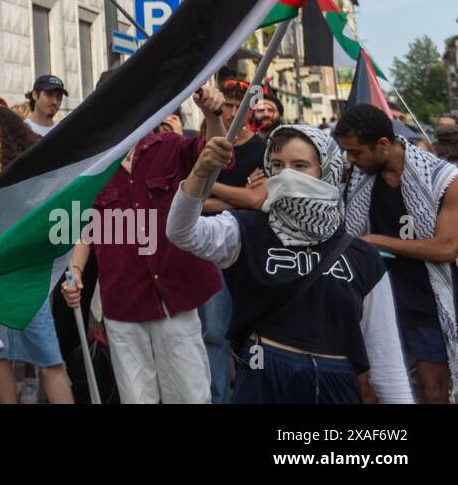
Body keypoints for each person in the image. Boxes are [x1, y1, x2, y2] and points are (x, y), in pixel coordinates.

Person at [167, 125, 413, 403]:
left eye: (300, 165)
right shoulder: (245, 230)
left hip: (333, 387)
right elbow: (181, 232)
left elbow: (387, 362)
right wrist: (200, 173)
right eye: (277, 165)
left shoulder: (361, 256)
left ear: (327, 170)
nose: (286, 175)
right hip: (263, 377)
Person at [62, 86, 227, 404]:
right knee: (137, 398)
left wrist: (212, 113)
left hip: (175, 300)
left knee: (190, 396)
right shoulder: (93, 168)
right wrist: (76, 270)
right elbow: (87, 226)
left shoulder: (170, 146)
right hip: (123, 303)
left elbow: (216, 153)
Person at [335, 104, 458, 403]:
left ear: (383, 144)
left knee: (432, 389)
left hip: (426, 300)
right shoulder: (355, 178)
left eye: (356, 152)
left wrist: (378, 241)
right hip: (374, 299)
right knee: (370, 387)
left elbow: (446, 247)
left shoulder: (445, 179)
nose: (350, 159)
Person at [0, 105, 73, 404]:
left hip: (26, 275)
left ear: (0, 130)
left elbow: (49, 217)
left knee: (47, 357)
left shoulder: (30, 166)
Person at [195, 77, 273, 403]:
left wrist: (213, 190)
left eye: (237, 105)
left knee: (251, 333)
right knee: (213, 333)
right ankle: (219, 398)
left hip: (249, 250)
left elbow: (261, 202)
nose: (230, 112)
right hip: (210, 252)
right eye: (226, 104)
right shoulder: (206, 144)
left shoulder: (264, 149)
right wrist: (242, 196)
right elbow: (195, 200)